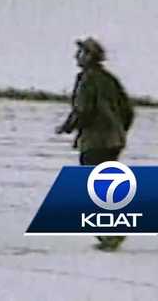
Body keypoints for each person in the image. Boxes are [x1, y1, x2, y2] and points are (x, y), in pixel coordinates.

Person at [56, 36, 136, 252]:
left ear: (90, 56)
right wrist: (119, 131)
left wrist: (67, 126)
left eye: (81, 52)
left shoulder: (87, 79)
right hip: (114, 141)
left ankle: (111, 234)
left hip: (96, 141)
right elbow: (128, 111)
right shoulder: (110, 79)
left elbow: (83, 110)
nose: (76, 56)